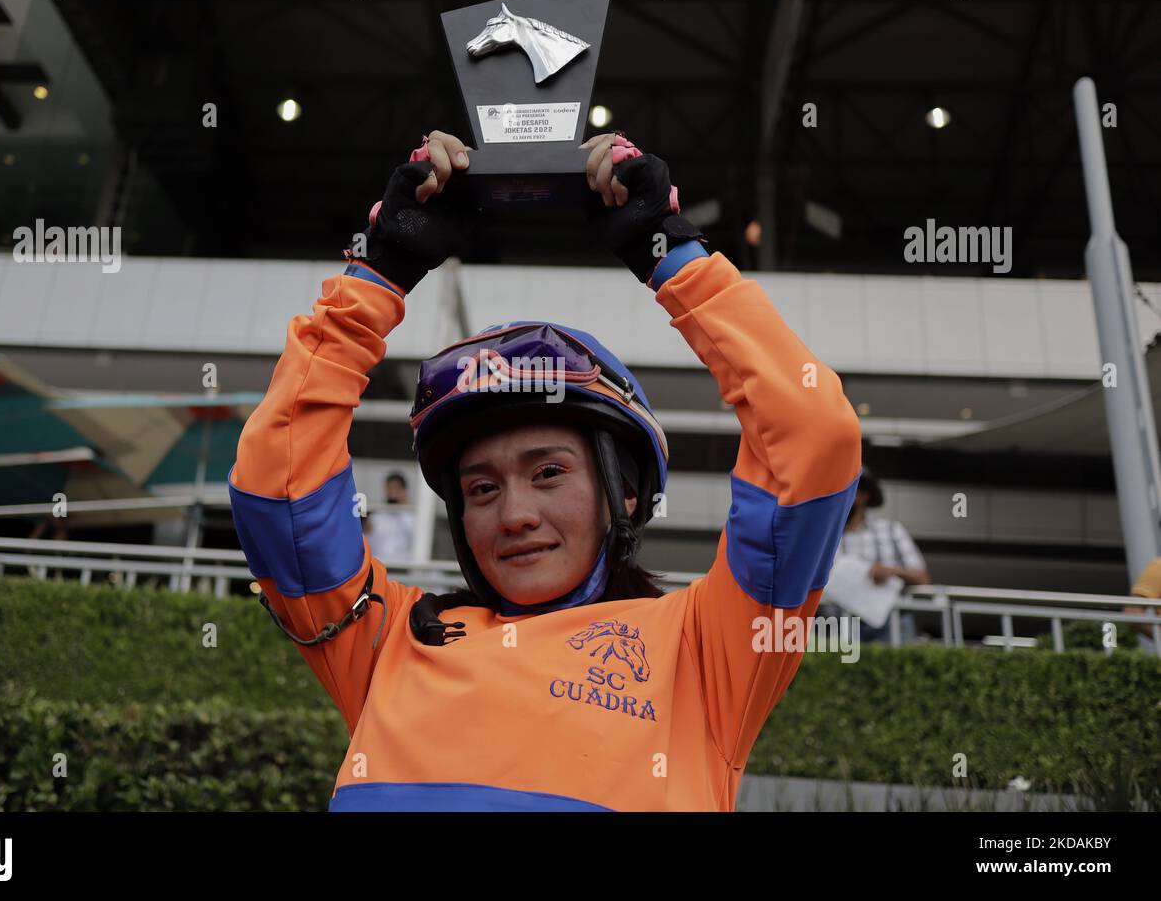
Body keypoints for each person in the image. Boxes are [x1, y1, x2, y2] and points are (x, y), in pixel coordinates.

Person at [227, 129, 862, 811]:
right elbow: (277, 486)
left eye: (550, 472)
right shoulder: (389, 638)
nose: (515, 513)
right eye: (481, 488)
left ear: (624, 491)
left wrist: (672, 255)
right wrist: (380, 272)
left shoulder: (709, 650)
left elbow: (810, 435)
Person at [832, 465, 930, 643]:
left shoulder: (891, 531)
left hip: (890, 623)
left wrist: (891, 571)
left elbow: (921, 577)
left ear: (864, 496)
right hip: (841, 623)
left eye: (848, 490)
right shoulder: (827, 536)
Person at [363, 472, 415, 563]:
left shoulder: (412, 516)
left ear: (404, 490)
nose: (393, 493)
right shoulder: (377, 515)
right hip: (379, 565)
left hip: (404, 567)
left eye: (396, 489)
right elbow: (367, 532)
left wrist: (402, 506)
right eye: (390, 489)